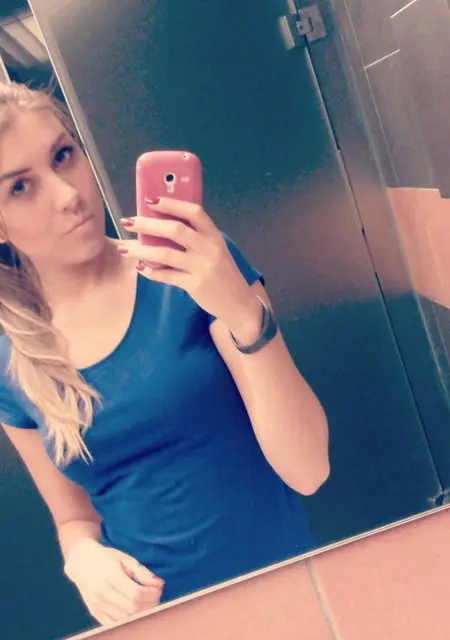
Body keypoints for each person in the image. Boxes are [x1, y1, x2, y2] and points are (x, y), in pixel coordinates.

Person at [0, 83, 329, 627]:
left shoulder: (192, 270)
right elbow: (73, 519)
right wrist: (83, 562)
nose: (67, 194)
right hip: (155, 621)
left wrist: (241, 312)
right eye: (20, 187)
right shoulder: (12, 359)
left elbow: (309, 469)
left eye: (62, 155)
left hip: (284, 597)